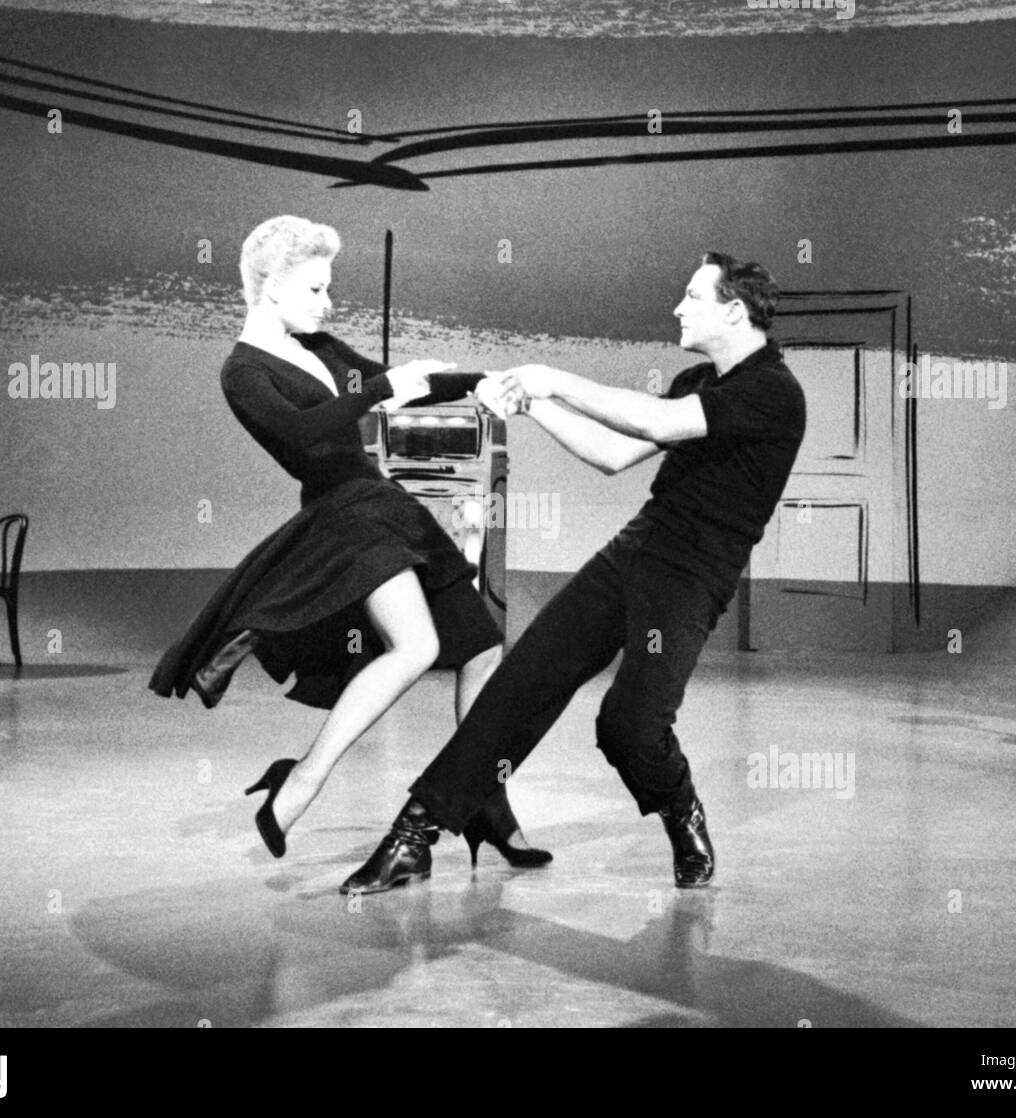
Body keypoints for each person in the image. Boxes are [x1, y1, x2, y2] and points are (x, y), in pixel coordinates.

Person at [340, 252, 806, 893]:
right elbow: (615, 453)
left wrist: (550, 377)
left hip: (692, 576)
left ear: (733, 310)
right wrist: (530, 405)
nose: (677, 307)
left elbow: (655, 421)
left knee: (628, 727)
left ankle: (681, 809)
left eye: (691, 297)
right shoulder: (700, 378)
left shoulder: (774, 391)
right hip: (638, 549)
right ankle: (413, 836)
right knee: (521, 682)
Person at [149, 214, 550, 871]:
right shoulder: (242, 371)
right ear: (272, 289)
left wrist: (482, 383)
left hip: (390, 507)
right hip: (347, 518)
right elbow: (305, 434)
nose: (327, 303)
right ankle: (303, 776)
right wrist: (383, 389)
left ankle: (486, 799)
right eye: (314, 290)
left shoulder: (324, 348)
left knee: (481, 646)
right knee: (417, 646)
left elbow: (401, 387)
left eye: (328, 289)